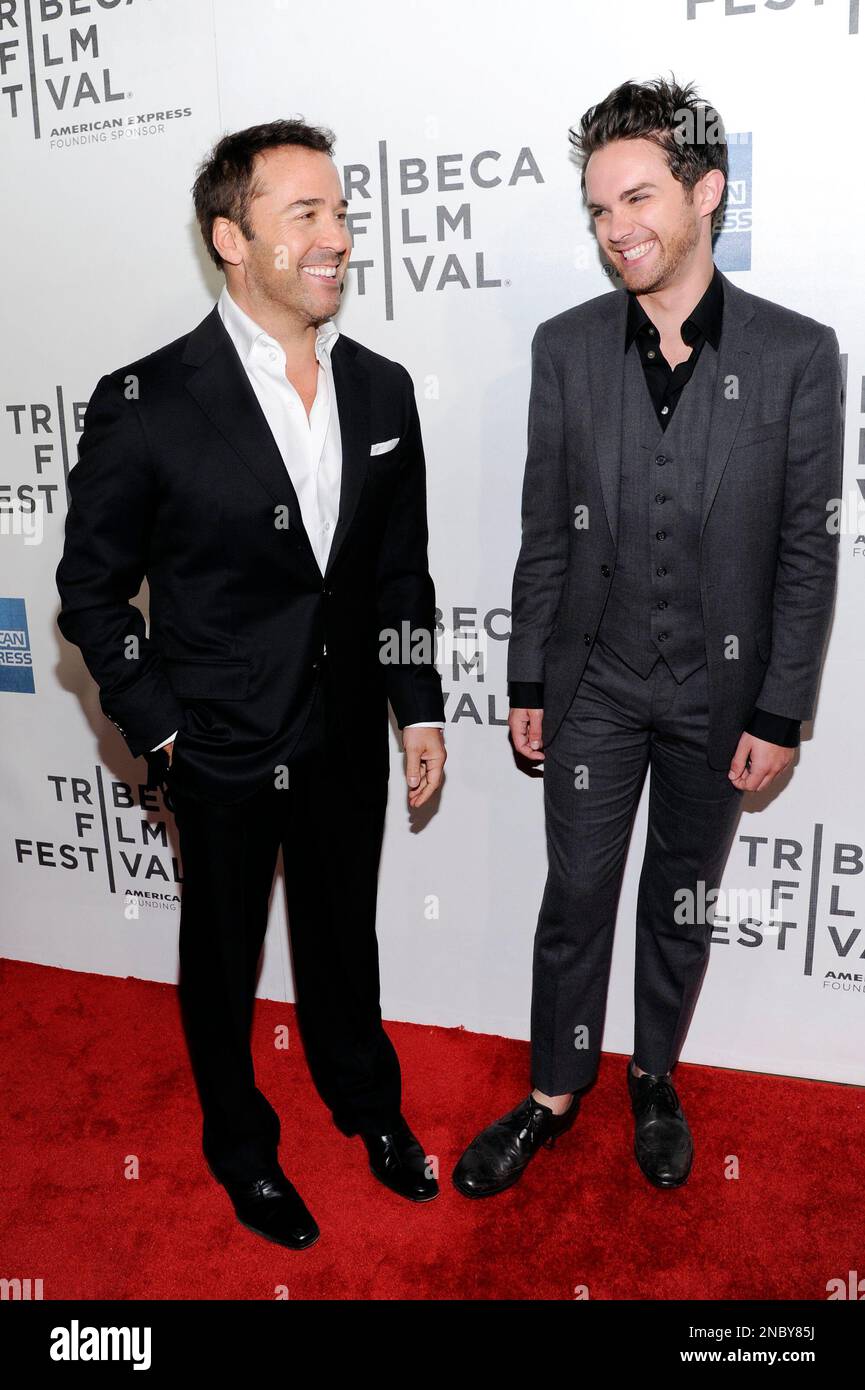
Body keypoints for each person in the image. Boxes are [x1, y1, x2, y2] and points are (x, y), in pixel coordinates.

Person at [56, 119, 447, 1250]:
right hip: (218, 742)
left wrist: (414, 704)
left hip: (342, 734)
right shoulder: (147, 401)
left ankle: (366, 1105)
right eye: (306, 215)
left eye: (340, 211)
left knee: (344, 938)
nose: (337, 235)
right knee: (222, 964)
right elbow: (90, 595)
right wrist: (161, 731)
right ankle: (241, 1146)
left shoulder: (381, 389)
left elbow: (398, 571)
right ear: (233, 238)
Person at [453, 78, 842, 1198]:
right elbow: (543, 530)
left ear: (706, 192)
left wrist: (779, 710)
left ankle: (656, 1076)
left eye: (637, 198)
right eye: (596, 209)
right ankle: (552, 1091)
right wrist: (526, 675)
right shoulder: (565, 348)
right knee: (575, 894)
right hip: (595, 687)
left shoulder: (796, 354)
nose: (617, 228)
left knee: (681, 891)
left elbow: (806, 552)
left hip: (719, 699)